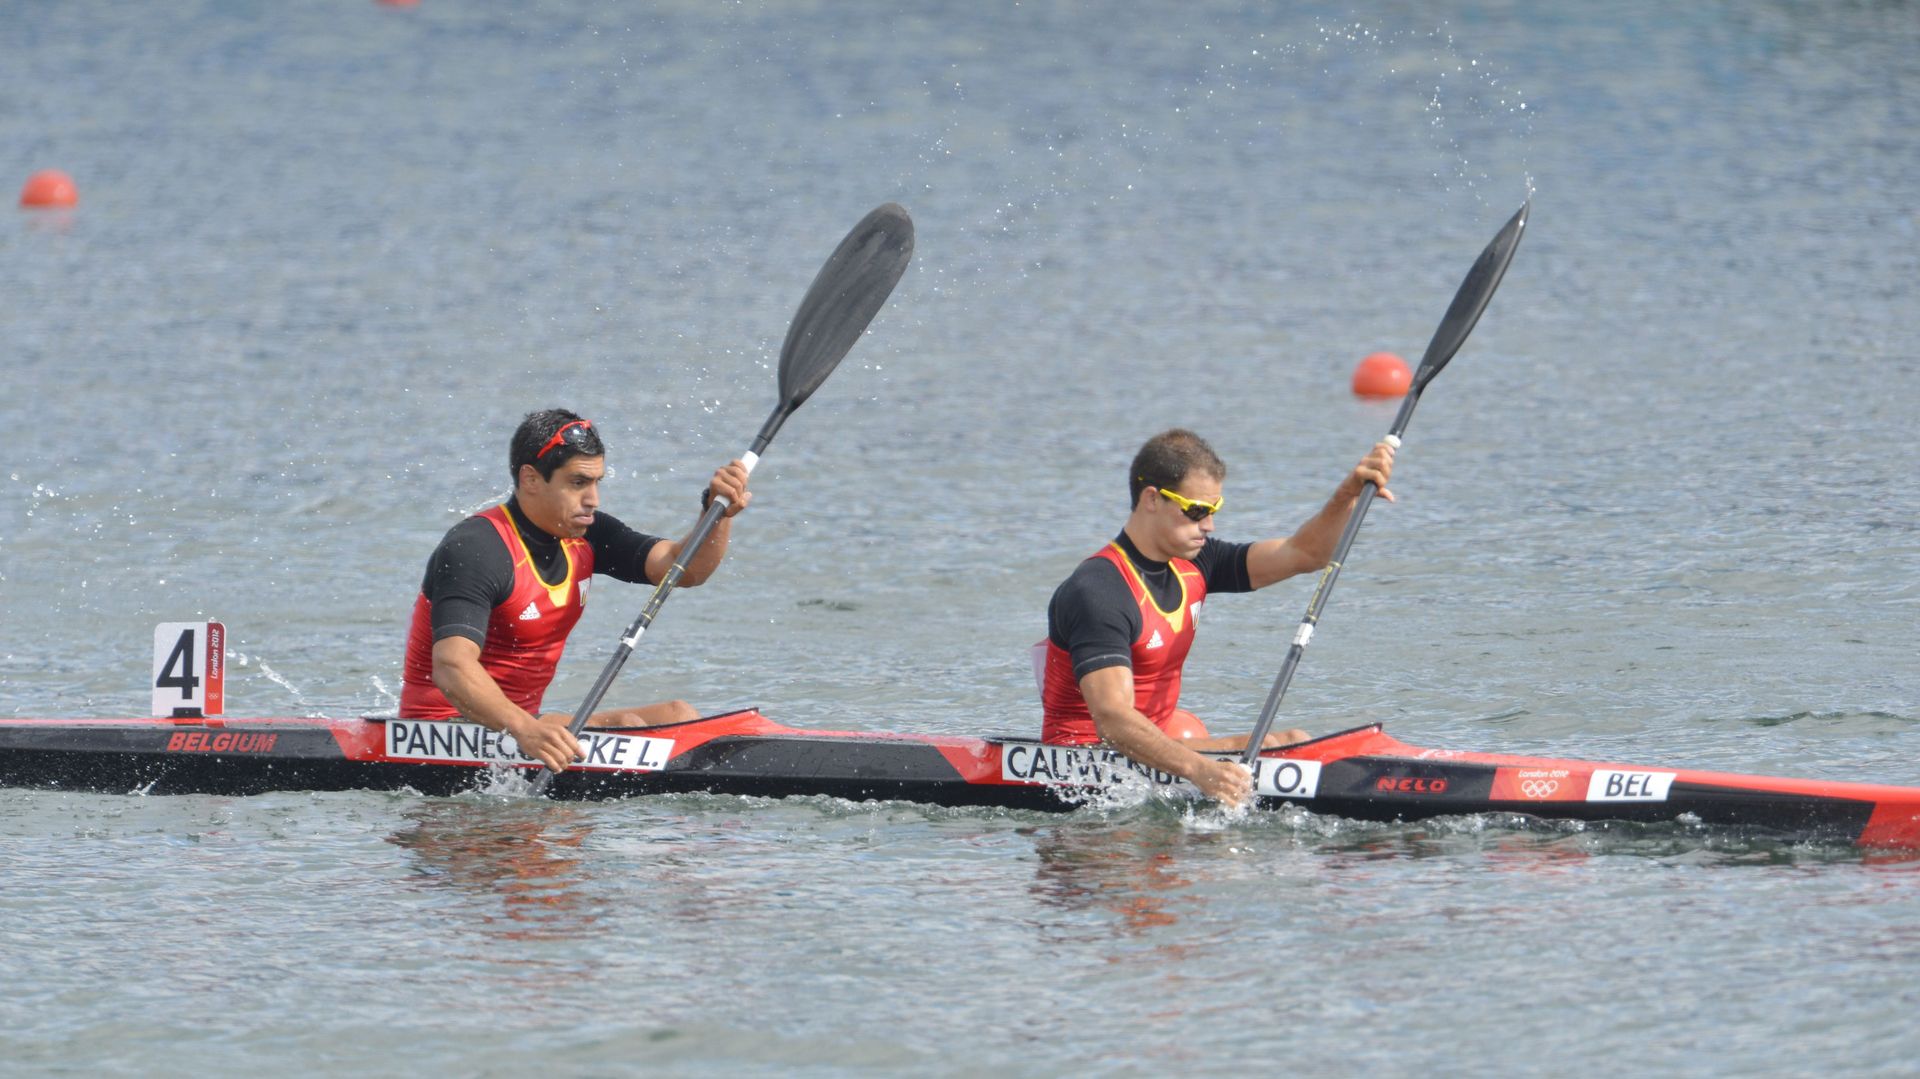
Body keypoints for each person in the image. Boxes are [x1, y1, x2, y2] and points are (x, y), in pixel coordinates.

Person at [1040, 428, 1395, 806]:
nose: (1208, 525)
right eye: (1196, 511)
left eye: (1213, 510)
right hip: (1081, 766)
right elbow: (1112, 720)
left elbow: (1305, 553)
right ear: (1152, 499)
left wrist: (1348, 494)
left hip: (1152, 752)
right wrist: (1198, 770)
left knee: (1292, 742)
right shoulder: (1100, 590)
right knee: (1277, 748)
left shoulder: (1196, 561)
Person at [400, 408, 750, 773]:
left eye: (597, 482)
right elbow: (452, 666)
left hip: (525, 727)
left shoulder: (587, 534)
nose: (593, 499)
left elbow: (685, 568)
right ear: (531, 479)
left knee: (679, 715)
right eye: (578, 483)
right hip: (442, 733)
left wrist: (718, 513)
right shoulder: (477, 548)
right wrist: (525, 729)